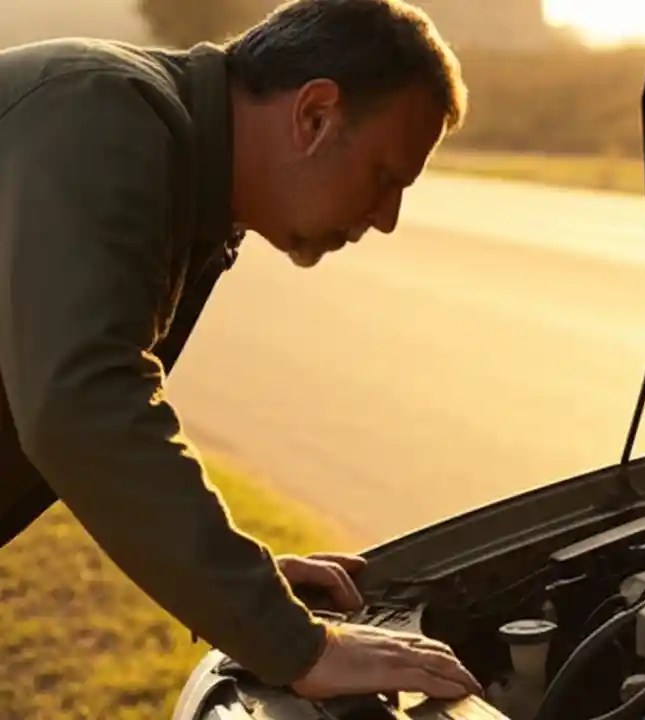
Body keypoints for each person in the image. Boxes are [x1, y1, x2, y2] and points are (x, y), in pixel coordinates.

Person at [0, 0, 482, 702]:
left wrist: (238, 579)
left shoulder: (177, 169)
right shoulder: (106, 117)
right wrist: (296, 644)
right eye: (385, 177)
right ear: (314, 115)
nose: (387, 219)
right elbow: (84, 411)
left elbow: (72, 412)